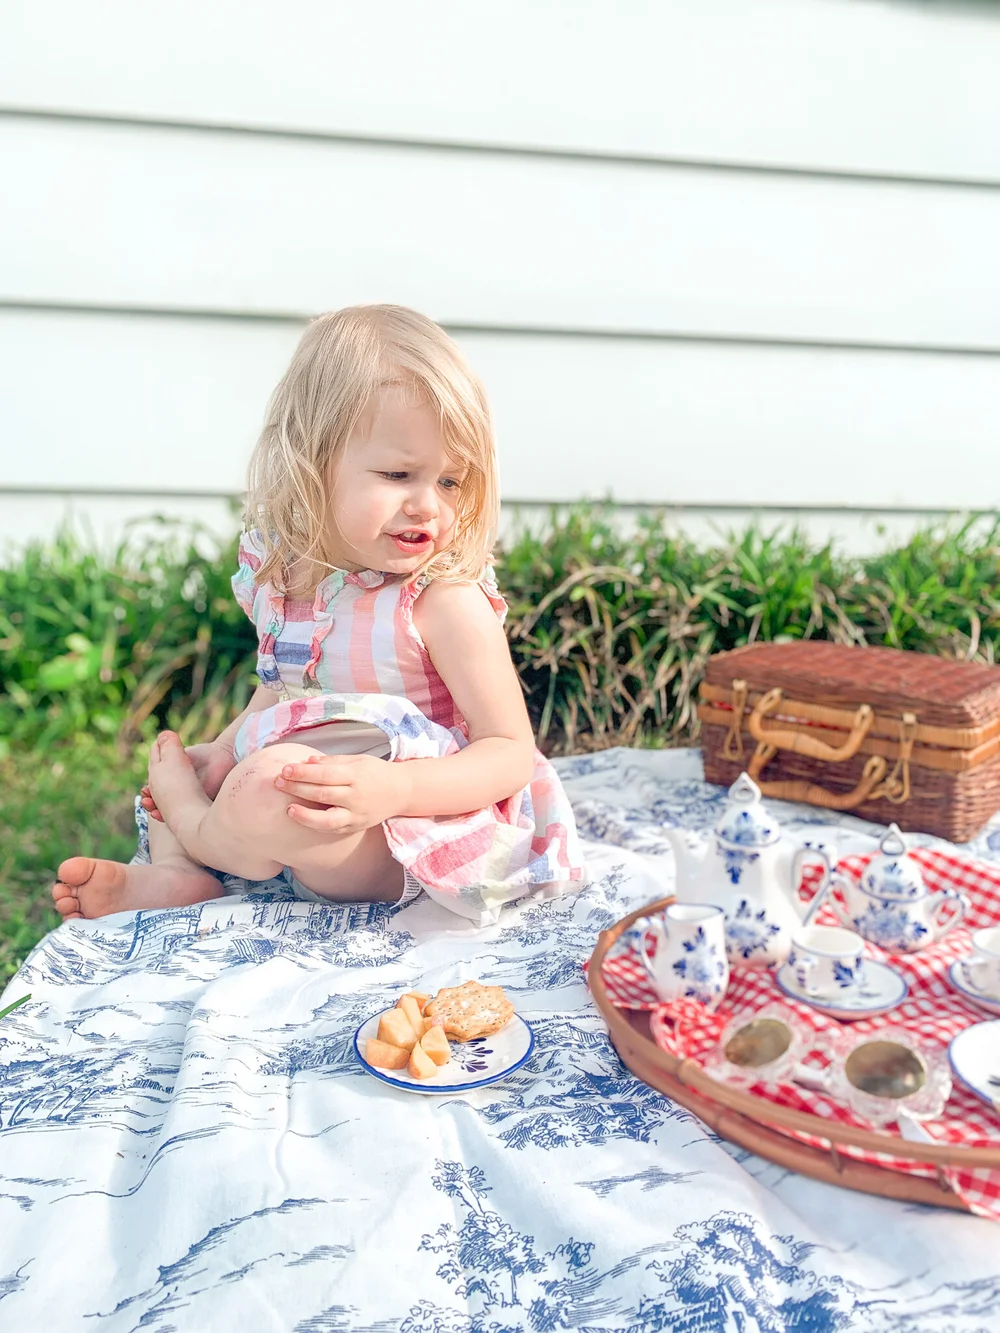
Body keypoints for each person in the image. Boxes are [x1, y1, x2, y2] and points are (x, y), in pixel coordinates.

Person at [51, 305, 585, 924]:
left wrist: (395, 790)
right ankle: (180, 876)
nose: (427, 506)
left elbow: (509, 752)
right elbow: (280, 694)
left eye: (451, 483)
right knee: (202, 770)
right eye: (398, 474)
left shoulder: (442, 602)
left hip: (404, 833)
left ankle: (203, 837)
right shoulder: (291, 583)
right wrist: (222, 753)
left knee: (269, 786)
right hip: (305, 797)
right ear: (311, 463)